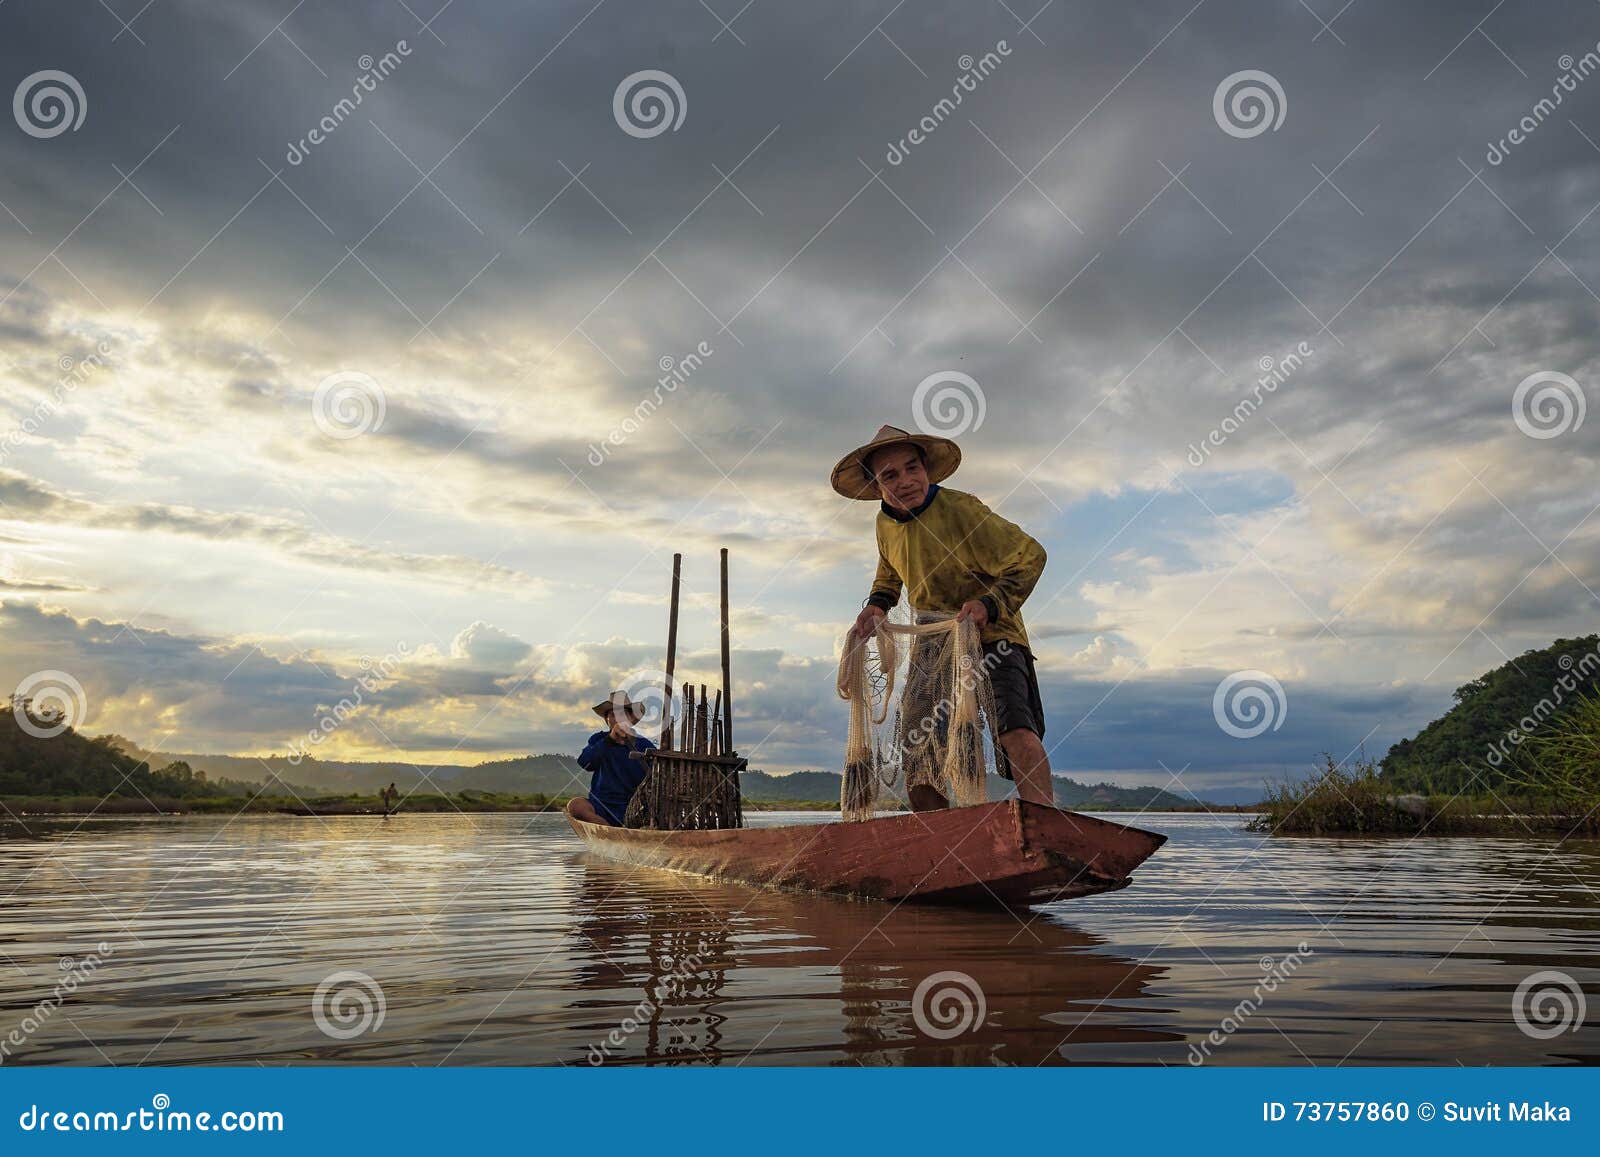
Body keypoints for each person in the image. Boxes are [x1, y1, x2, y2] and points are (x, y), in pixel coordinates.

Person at [832, 423, 1053, 810]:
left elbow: (1031, 555)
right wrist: (877, 606)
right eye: (890, 475)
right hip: (932, 641)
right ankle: (939, 842)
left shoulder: (961, 509)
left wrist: (989, 604)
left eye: (912, 468)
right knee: (917, 744)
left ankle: (1048, 827)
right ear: (876, 486)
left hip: (992, 633)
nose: (905, 481)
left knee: (1014, 728)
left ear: (926, 470)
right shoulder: (884, 524)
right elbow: (889, 574)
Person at [569, 692, 655, 826]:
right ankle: (607, 829)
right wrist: (609, 740)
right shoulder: (598, 739)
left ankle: (624, 831)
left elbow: (655, 777)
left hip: (633, 808)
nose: (617, 719)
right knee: (575, 805)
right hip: (601, 807)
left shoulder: (644, 745)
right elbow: (585, 763)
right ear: (606, 719)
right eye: (612, 714)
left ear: (631, 719)